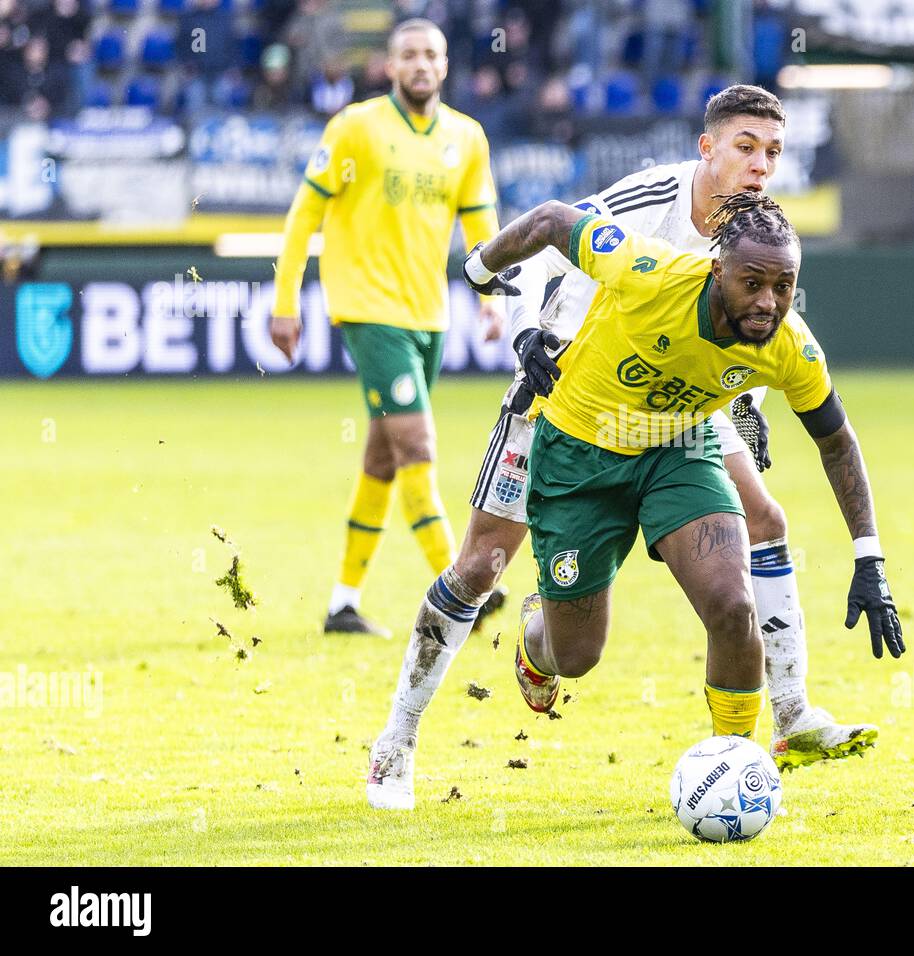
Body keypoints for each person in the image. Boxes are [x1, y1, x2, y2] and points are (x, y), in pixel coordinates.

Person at [365, 86, 879, 811]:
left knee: (763, 518)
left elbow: (761, 341)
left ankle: (789, 716)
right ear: (708, 147)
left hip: (672, 419)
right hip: (563, 394)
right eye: (746, 147)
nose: (761, 165)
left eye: (773, 152)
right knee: (482, 564)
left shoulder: (761, 238)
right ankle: (398, 738)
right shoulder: (649, 201)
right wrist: (520, 329)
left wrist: (749, 408)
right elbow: (543, 248)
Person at [270, 19, 505, 636]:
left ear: (446, 66)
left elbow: (482, 227)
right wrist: (285, 300)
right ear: (390, 67)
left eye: (432, 54)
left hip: (428, 314)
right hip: (368, 310)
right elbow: (304, 215)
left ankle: (342, 604)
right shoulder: (355, 128)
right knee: (417, 447)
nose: (421, 63)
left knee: (382, 458)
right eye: (409, 55)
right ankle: (464, 588)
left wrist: (491, 300)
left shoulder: (467, 138)